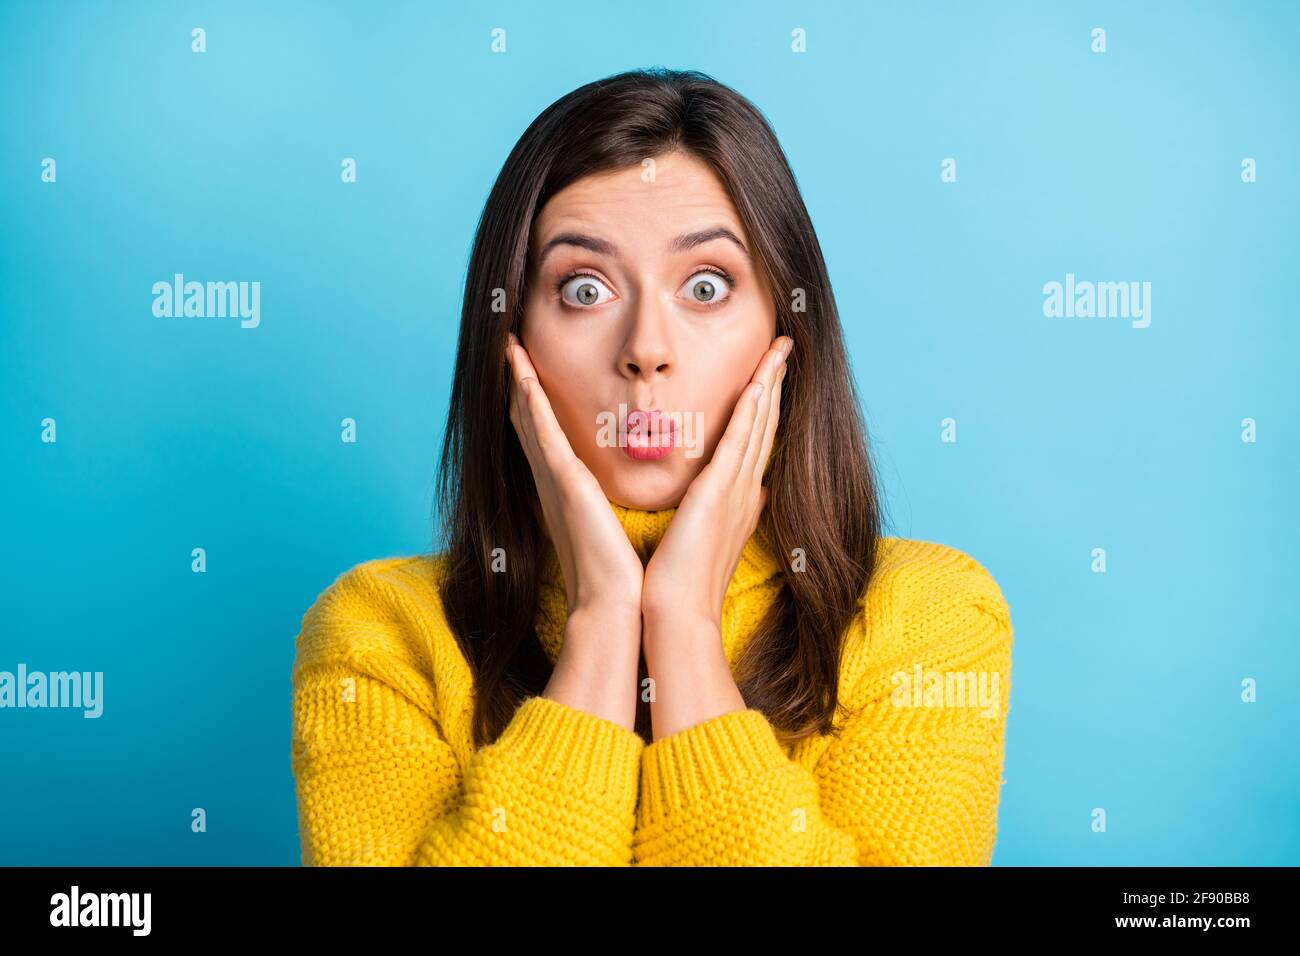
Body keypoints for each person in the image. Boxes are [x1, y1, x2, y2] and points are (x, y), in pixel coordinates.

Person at [290, 67, 1013, 866]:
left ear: (786, 328)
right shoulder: (379, 635)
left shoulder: (932, 622)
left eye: (705, 286)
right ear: (511, 338)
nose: (645, 351)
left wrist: (683, 627)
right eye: (584, 288)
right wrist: (601, 622)